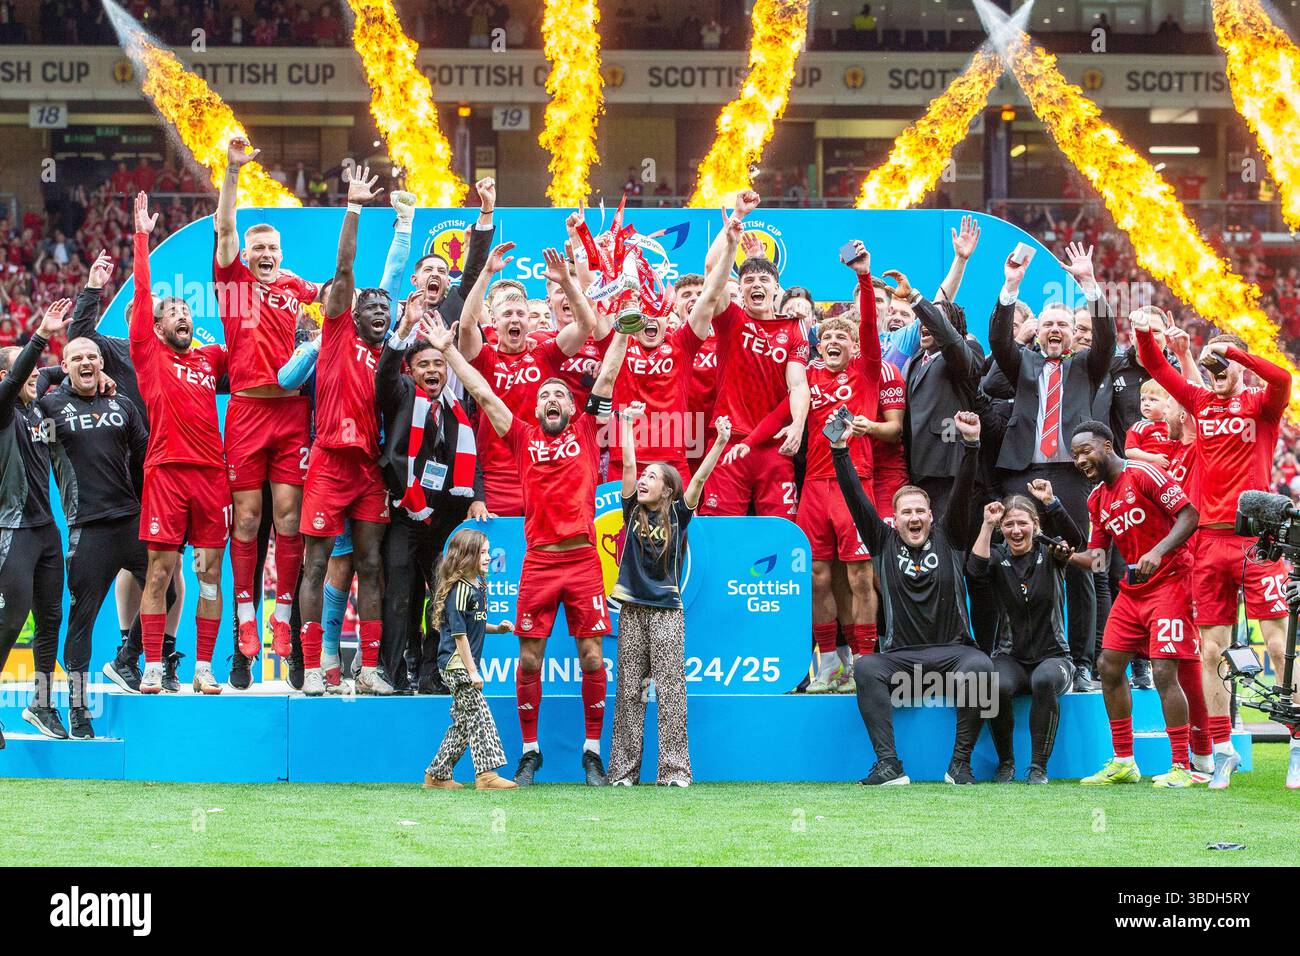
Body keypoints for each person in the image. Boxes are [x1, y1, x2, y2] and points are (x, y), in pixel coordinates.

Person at [433, 313, 622, 787]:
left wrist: (626, 330)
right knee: (530, 660)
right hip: (539, 561)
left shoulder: (583, 431)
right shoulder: (520, 437)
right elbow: (482, 393)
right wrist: (450, 349)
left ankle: (593, 753)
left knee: (594, 658)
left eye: (559, 394)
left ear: (570, 406)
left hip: (582, 561)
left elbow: (608, 373)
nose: (552, 399)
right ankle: (531, 752)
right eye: (544, 396)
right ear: (535, 409)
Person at [1135, 318, 1293, 788]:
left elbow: (1282, 378)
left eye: (1227, 360)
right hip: (1207, 542)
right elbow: (1155, 368)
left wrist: (1233, 354)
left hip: (1259, 541)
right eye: (1213, 360)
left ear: (1240, 366)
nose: (1218, 367)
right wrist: (1145, 332)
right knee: (1210, 651)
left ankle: (1298, 741)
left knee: (1281, 647)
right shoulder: (1200, 403)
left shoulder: (1263, 405)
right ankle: (1223, 750)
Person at [731, 239, 883, 688]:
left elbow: (870, 325)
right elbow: (780, 413)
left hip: (856, 485)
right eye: (828, 336)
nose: (834, 340)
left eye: (843, 336)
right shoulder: (809, 377)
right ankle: (830, 664)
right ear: (818, 344)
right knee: (816, 577)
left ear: (855, 347)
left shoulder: (869, 371)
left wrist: (863, 278)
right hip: (815, 486)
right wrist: (750, 443)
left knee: (859, 576)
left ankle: (867, 663)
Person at [835, 410, 995, 785]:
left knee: (982, 668)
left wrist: (971, 444)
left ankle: (960, 765)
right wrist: (840, 450)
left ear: (931, 516)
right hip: (902, 660)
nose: (914, 517)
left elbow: (962, 490)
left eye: (920, 511)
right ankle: (890, 765)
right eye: (906, 512)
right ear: (894, 518)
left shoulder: (950, 536)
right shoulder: (882, 541)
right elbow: (855, 497)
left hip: (953, 653)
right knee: (865, 668)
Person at [989, 242, 1116, 693]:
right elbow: (999, 340)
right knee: (1011, 558)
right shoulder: (1021, 363)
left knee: (1080, 565)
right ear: (1039, 333)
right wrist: (1010, 286)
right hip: (1023, 473)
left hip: (1072, 476)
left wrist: (1088, 284)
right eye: (1049, 325)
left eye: (1064, 323)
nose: (1057, 329)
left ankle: (1082, 663)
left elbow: (1107, 338)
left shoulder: (1088, 366)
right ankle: (1008, 650)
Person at [215, 136, 319, 662]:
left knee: (288, 515)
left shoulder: (295, 286)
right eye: (259, 249)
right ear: (245, 255)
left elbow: (336, 296)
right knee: (249, 518)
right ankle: (245, 619)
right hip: (248, 412)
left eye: (273, 249)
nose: (266, 255)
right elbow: (227, 226)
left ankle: (282, 618)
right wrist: (232, 172)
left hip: (291, 410)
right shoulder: (232, 282)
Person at [69, 249, 187, 687]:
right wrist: (93, 288)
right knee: (132, 564)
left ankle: (166, 653)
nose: (143, 314)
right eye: (136, 307)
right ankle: (127, 648)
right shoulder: (115, 351)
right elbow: (77, 337)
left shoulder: (181, 354)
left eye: (151, 310)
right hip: (131, 473)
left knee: (171, 566)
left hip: (174, 471)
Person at [129, 192, 230, 695]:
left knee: (210, 573)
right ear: (156, 326)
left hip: (213, 475)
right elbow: (144, 293)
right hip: (166, 472)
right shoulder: (149, 355)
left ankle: (204, 667)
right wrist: (142, 236)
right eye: (174, 312)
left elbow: (255, 364)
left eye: (189, 310)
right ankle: (151, 664)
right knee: (160, 572)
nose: (184, 316)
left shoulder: (212, 359)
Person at [296, 165, 392, 695]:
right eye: (368, 306)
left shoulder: (391, 355)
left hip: (369, 470)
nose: (377, 310)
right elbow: (345, 266)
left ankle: (370, 667)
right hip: (330, 464)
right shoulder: (334, 334)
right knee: (314, 565)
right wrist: (353, 207)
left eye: (384, 307)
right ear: (350, 312)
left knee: (372, 564)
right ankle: (313, 669)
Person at [1070, 421, 1204, 788]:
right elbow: (1099, 557)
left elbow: (1190, 515)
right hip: (1133, 591)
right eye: (1075, 455)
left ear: (1108, 445)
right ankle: (1124, 761)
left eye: (1086, 450)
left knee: (1163, 671)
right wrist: (1067, 556)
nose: (1081, 459)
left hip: (1172, 582)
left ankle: (1182, 765)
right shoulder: (1096, 498)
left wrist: (1159, 551)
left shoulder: (1144, 473)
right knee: (1108, 667)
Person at [607, 403, 730, 787]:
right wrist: (626, 425)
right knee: (630, 689)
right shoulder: (630, 511)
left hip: (666, 613)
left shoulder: (679, 514)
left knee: (671, 689)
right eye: (643, 475)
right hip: (632, 611)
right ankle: (623, 773)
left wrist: (721, 441)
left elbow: (701, 477)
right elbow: (627, 467)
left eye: (652, 476)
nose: (642, 480)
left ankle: (675, 772)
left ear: (669, 488)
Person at [40, 334, 148, 736]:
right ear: (65, 365)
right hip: (87, 530)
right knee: (81, 623)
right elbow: (25, 387)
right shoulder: (49, 408)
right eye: (77, 358)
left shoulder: (121, 403)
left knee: (166, 590)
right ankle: (78, 710)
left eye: (93, 358)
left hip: (130, 520)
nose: (87, 363)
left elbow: (146, 453)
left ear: (103, 363)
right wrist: (61, 369)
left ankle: (127, 658)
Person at [374, 299, 481, 695]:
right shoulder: (401, 393)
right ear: (411, 371)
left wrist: (478, 497)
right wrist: (404, 330)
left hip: (445, 518)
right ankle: (395, 669)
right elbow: (385, 373)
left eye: (439, 364)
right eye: (424, 365)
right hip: (406, 512)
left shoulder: (458, 406)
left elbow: (477, 457)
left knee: (442, 595)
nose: (432, 370)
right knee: (401, 593)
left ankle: (433, 670)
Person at [687, 195, 810, 518]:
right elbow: (712, 271)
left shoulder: (794, 330)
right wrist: (735, 222)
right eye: (749, 280)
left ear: (776, 289)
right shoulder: (732, 319)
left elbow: (797, 386)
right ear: (740, 290)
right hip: (728, 442)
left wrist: (798, 424)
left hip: (774, 447)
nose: (756, 284)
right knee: (721, 530)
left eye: (763, 280)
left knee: (779, 533)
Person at [456, 244, 597, 515]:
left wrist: (566, 281)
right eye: (507, 314)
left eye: (521, 313)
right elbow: (465, 325)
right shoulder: (485, 358)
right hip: (495, 474)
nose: (515, 319)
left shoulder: (545, 353)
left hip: (540, 466)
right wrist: (486, 272)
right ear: (494, 323)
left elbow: (585, 325)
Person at [967, 481, 1082, 784]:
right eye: (1009, 525)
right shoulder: (997, 557)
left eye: (1022, 523)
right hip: (1011, 656)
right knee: (992, 683)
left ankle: (1038, 768)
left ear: (1035, 525)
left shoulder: (1052, 553)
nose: (1016, 530)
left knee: (1044, 680)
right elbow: (975, 570)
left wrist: (1052, 501)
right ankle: (1006, 763)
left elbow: (1075, 542)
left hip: (1054, 657)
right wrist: (987, 525)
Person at [0, 299, 73, 742]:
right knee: (11, 622)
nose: (34, 377)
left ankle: (42, 703)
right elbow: (19, 375)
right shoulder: (3, 406)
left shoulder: (32, 402)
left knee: (50, 619)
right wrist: (41, 334)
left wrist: (92, 370)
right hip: (12, 531)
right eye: (25, 372)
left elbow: (54, 371)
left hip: (46, 531)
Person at [422, 528, 516, 791]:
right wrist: (472, 671)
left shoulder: (478, 584)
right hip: (456, 664)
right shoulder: (461, 589)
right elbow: (459, 634)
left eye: (488, 552)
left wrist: (497, 629)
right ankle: (486, 775)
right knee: (480, 714)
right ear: (466, 556)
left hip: (460, 663)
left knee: (464, 722)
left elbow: (473, 624)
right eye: (482, 553)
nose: (488, 557)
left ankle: (437, 775)